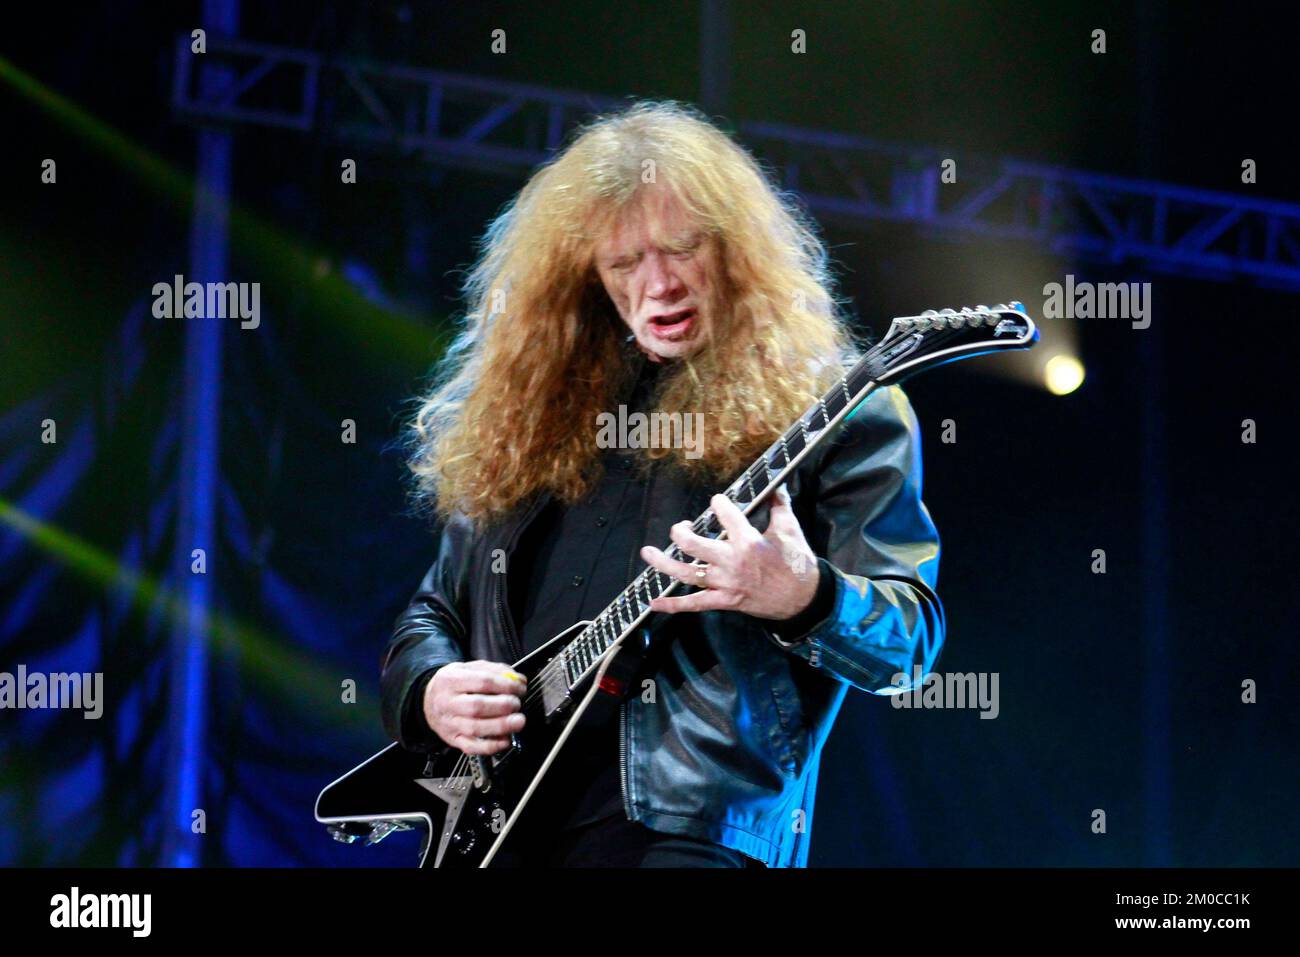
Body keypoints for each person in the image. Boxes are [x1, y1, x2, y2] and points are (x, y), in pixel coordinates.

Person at [380, 100, 945, 867]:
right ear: (586, 275)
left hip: (689, 826)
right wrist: (430, 688)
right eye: (624, 263)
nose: (659, 284)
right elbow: (433, 609)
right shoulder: (534, 416)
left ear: (735, 249)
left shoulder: (835, 406)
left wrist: (803, 594)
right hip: (504, 827)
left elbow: (908, 640)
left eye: (683, 249)